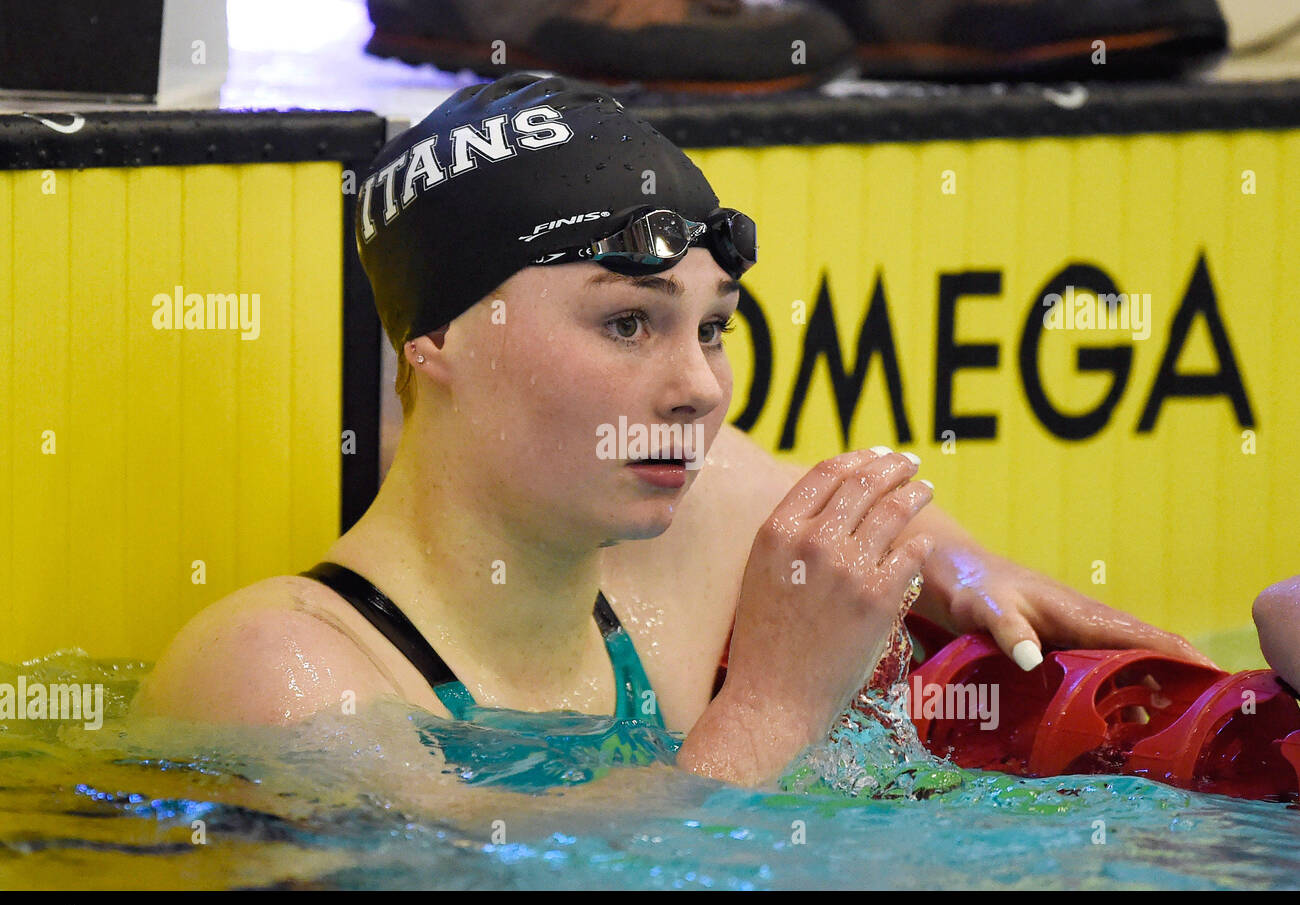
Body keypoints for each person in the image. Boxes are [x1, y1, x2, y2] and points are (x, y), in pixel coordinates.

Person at [132, 71, 1210, 789]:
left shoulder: (674, 540)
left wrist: (972, 570)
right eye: (627, 322)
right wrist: (777, 704)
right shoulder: (283, 677)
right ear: (436, 338)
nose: (697, 386)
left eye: (715, 330)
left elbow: (827, 505)